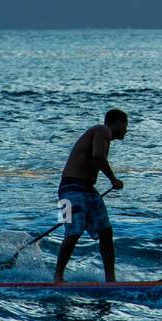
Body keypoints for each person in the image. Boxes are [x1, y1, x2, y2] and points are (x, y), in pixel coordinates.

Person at [54, 109, 127, 282]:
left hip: (88, 190)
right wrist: (113, 179)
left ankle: (111, 280)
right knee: (73, 233)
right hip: (70, 189)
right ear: (117, 123)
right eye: (125, 124)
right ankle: (58, 277)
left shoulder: (104, 135)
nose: (126, 130)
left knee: (106, 232)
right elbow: (97, 156)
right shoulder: (102, 130)